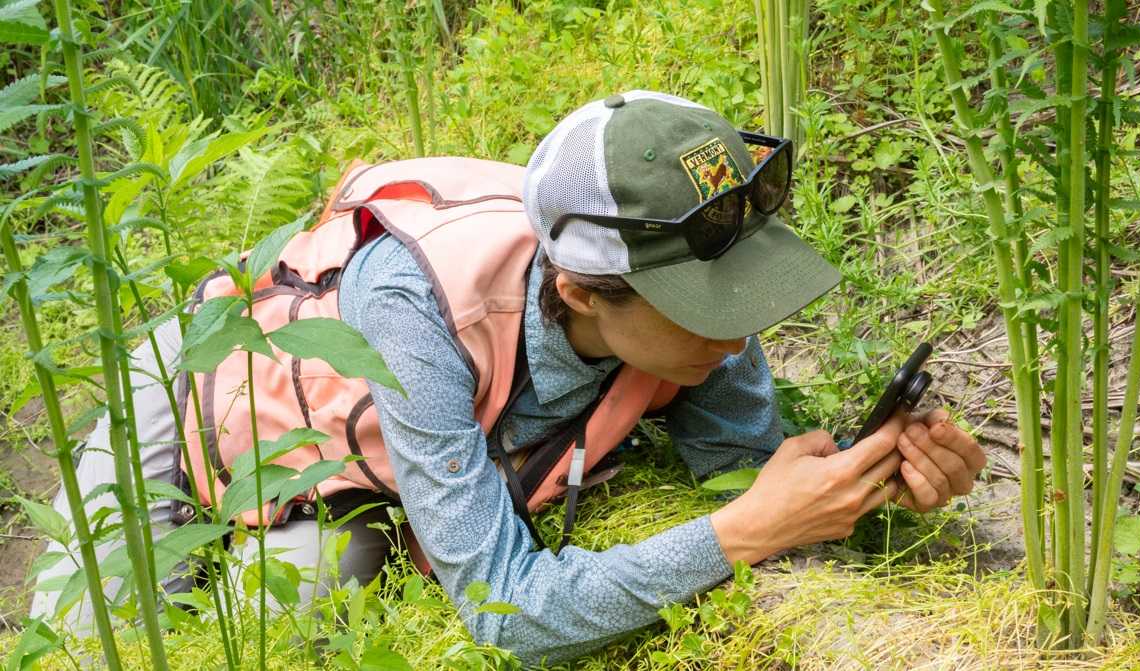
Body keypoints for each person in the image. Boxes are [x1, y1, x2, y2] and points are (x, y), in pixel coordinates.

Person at [32, 90, 985, 664]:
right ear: (579, 288)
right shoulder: (423, 304)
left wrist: (866, 484)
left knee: (305, 609)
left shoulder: (682, 277)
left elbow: (742, 464)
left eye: (740, 292)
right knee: (93, 641)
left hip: (356, 466)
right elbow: (506, 612)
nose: (737, 337)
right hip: (200, 399)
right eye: (706, 307)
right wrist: (740, 534)